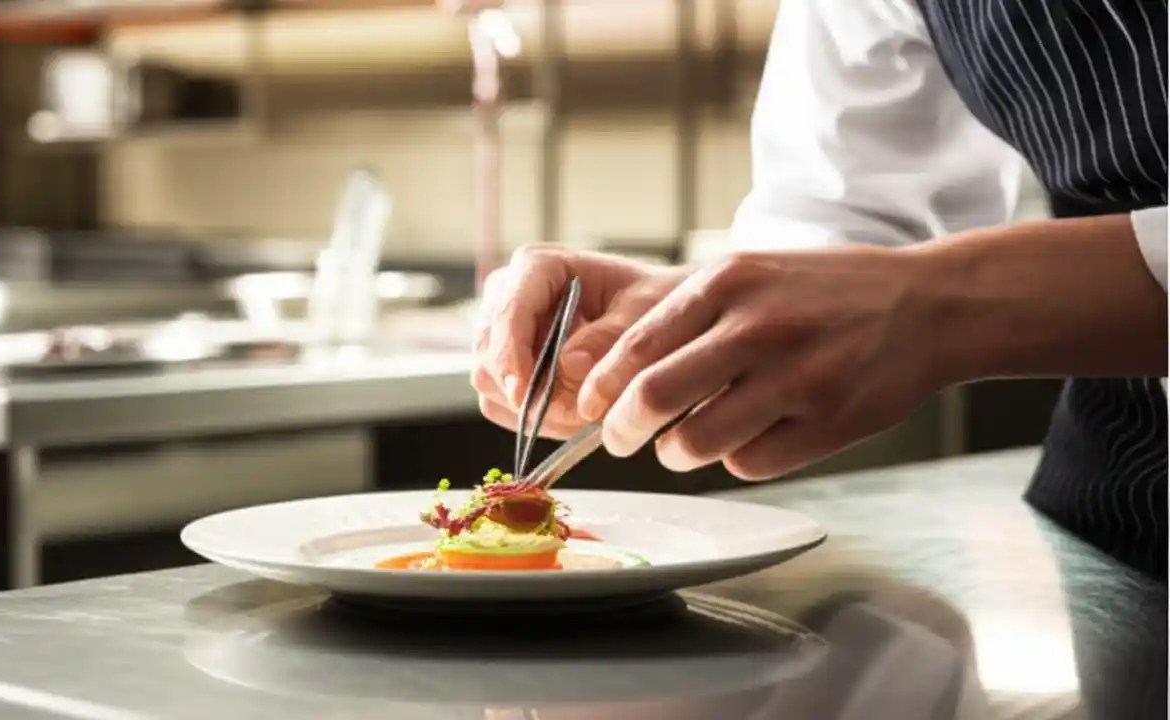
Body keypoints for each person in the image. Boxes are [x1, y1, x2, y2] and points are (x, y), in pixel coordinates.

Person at [472, 1, 1167, 579]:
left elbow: (904, 291)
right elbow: (856, 216)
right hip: (1124, 528)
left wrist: (937, 307)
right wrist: (700, 312)